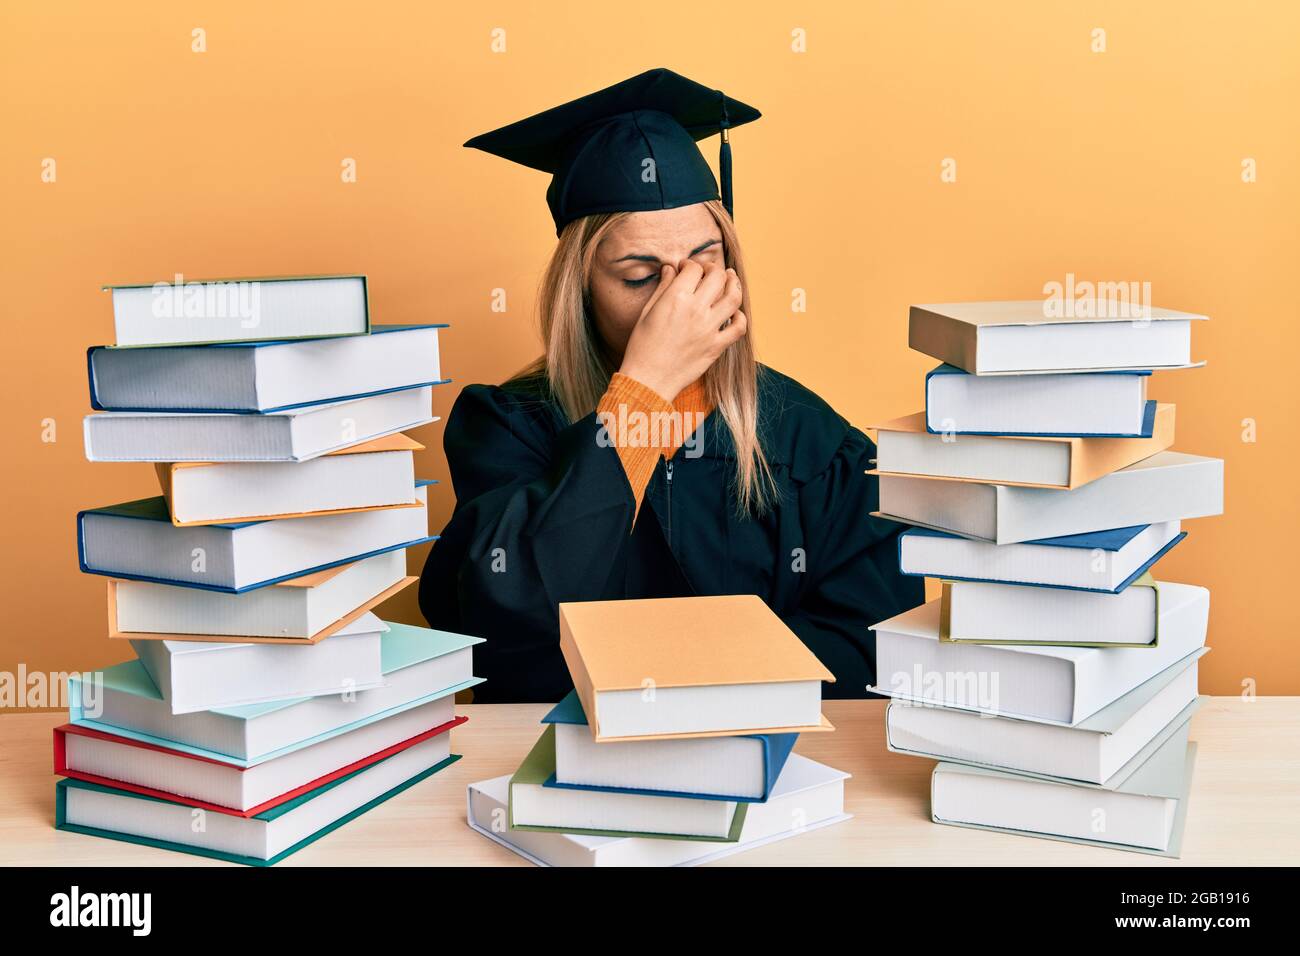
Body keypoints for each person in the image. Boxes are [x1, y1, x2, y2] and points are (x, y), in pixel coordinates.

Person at [419, 68, 922, 703]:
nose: (679, 302)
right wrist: (642, 395)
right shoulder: (509, 426)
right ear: (580, 291)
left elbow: (874, 646)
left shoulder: (807, 438)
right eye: (639, 277)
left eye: (704, 264)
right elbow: (496, 622)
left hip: (768, 767)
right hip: (567, 772)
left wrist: (676, 680)